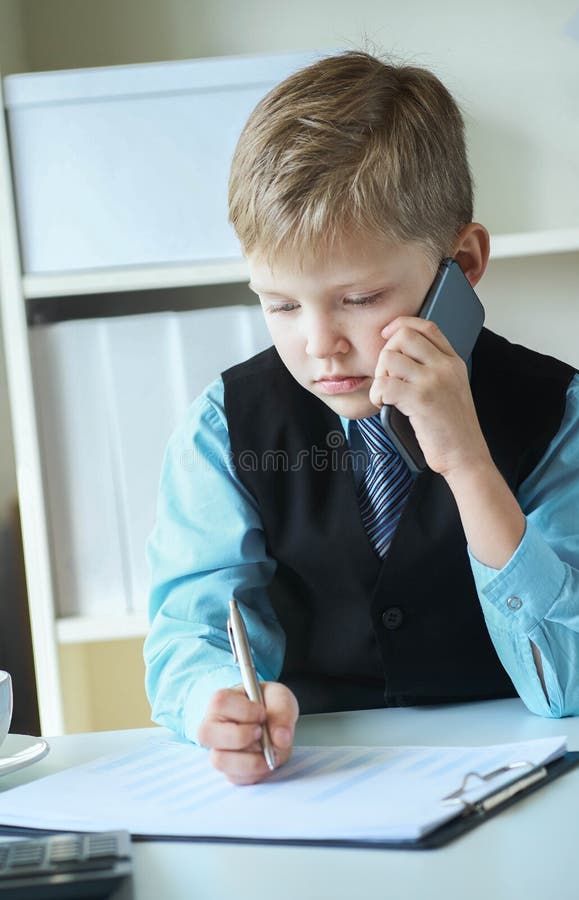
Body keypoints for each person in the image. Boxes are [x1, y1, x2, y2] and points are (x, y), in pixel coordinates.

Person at [144, 50, 579, 785]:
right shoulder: (225, 428)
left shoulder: (555, 413)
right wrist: (213, 703)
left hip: (521, 773)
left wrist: (469, 464)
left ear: (462, 266)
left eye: (359, 299)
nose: (319, 345)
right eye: (280, 305)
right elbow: (189, 634)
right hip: (318, 777)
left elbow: (565, 684)